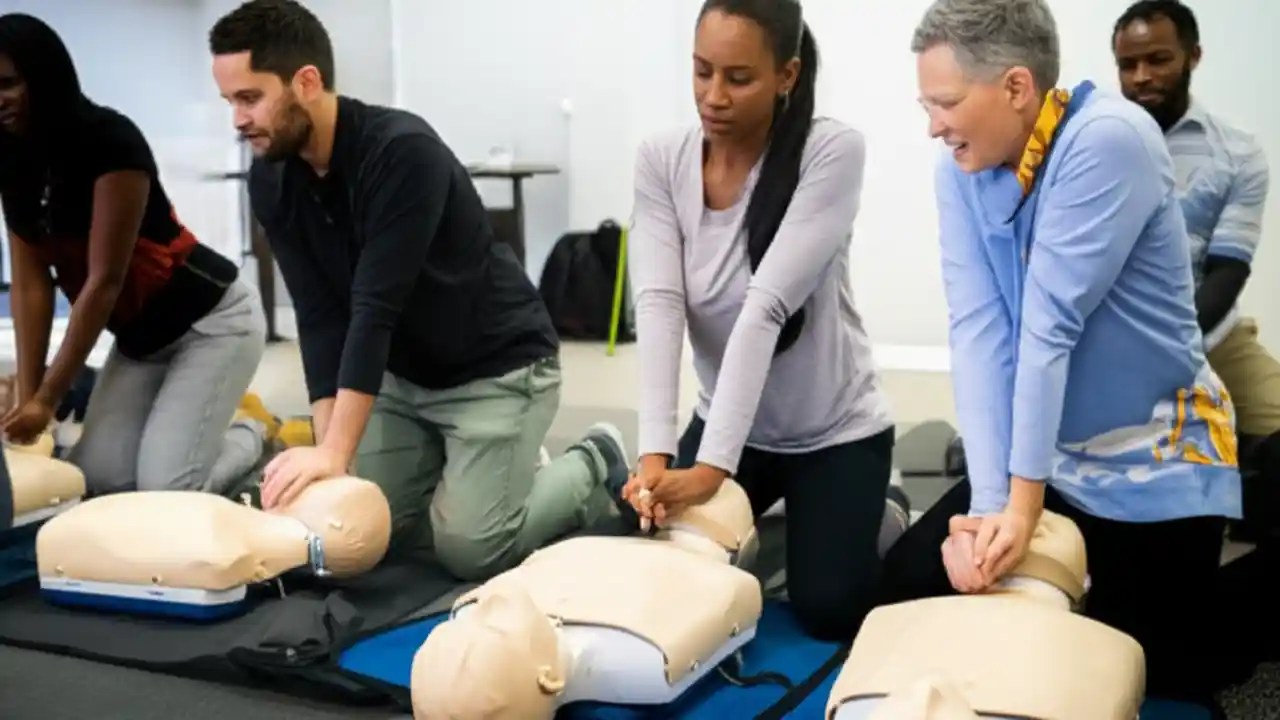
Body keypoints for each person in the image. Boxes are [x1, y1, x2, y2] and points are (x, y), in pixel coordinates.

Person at [879, 0, 1240, 709]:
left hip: (1152, 461)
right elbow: (980, 332)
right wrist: (990, 518)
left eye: (945, 103)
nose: (933, 125)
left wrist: (1022, 512)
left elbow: (1048, 328)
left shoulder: (1109, 139)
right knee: (905, 588)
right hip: (1054, 461)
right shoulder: (961, 165)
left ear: (1015, 88)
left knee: (1146, 670)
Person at [206, 0, 629, 582]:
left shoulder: (402, 152)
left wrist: (333, 455)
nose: (237, 119)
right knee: (365, 529)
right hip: (403, 383)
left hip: (497, 372)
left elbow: (374, 309)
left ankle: (590, 460)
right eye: (229, 101)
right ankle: (464, 477)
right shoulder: (272, 178)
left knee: (471, 552)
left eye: (249, 98)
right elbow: (320, 316)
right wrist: (333, 458)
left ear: (306, 82)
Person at [622, 0, 900, 642]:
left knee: (829, 608)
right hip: (730, 422)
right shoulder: (662, 159)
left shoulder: (831, 151)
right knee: (663, 576)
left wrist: (711, 470)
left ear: (787, 75)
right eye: (701, 72)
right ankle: (777, 514)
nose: (712, 96)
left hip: (834, 433)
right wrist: (656, 458)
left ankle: (876, 513)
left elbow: (765, 307)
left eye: (738, 78)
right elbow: (660, 305)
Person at [0, 13, 271, 497]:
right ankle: (196, 434)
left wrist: (49, 397)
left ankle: (251, 434)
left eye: (8, 84)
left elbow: (104, 281)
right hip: (140, 340)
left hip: (211, 324)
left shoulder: (109, 140)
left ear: (44, 77)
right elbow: (30, 284)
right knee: (100, 481)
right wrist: (28, 393)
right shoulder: (11, 160)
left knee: (166, 487)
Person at [1113, 0, 1280, 536]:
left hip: (1211, 332)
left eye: (1158, 59)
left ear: (1193, 56)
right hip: (1110, 338)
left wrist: (1168, 351)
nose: (1142, 77)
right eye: (1128, 64)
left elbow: (1228, 273)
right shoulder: (1093, 141)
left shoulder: (1238, 154)